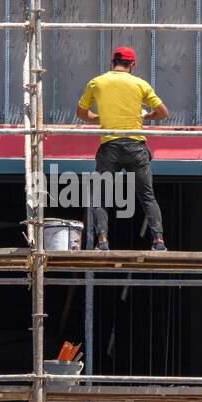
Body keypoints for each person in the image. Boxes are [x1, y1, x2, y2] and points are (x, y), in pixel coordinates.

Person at [76, 47, 169, 251]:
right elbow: (163, 112)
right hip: (136, 146)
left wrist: (101, 119)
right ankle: (159, 241)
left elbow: (82, 113)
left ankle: (102, 241)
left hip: (110, 146)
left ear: (112, 61)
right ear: (133, 64)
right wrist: (146, 117)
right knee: (147, 195)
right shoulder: (140, 84)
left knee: (100, 196)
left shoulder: (97, 82)